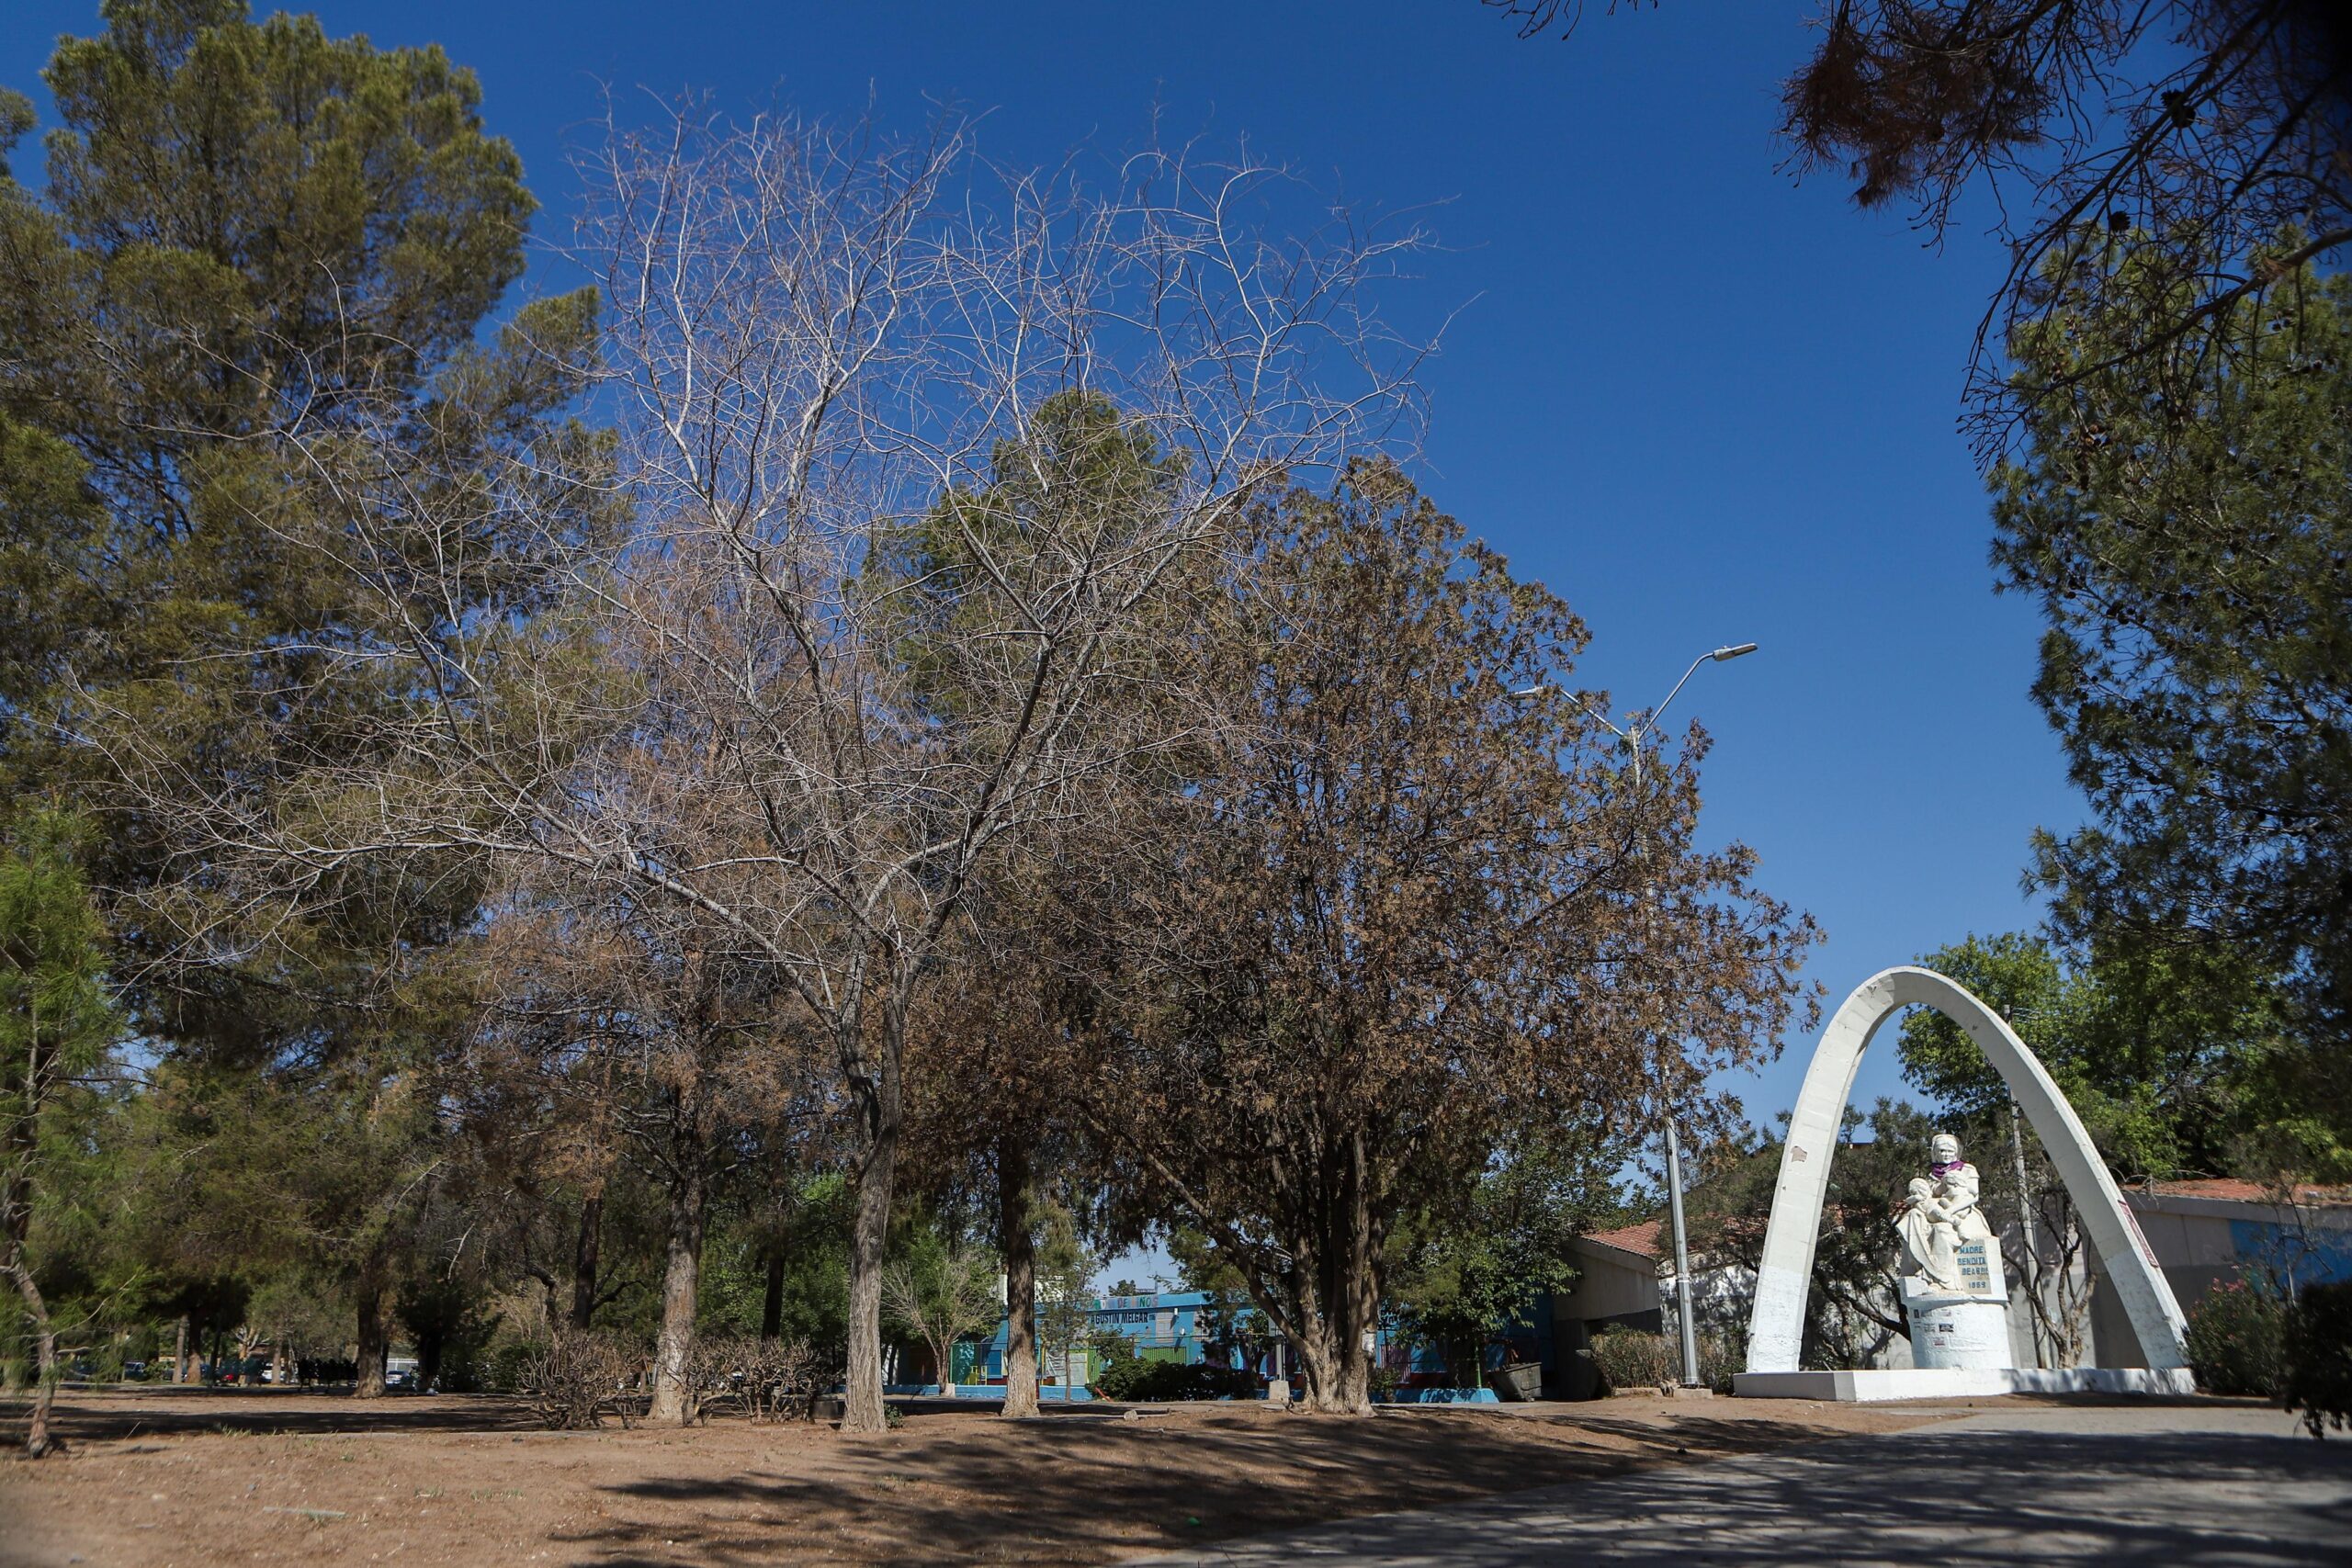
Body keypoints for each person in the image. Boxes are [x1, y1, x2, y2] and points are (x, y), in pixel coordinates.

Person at [1895, 1132, 1994, 1292]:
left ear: (1956, 1152)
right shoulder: (1931, 1175)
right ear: (1935, 1153)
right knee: (1913, 1216)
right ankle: (1921, 1265)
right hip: (1937, 1212)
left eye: (1950, 1151)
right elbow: (1930, 1195)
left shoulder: (1967, 1169)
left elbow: (1973, 1197)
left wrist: (1950, 1211)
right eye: (1942, 1151)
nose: (1947, 1154)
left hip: (1963, 1212)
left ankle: (1941, 1278)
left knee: (1942, 1230)